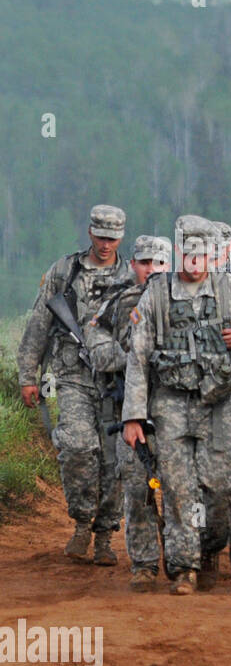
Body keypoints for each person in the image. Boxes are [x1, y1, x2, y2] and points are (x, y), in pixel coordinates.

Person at [120, 215, 231, 595]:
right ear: (179, 253)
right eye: (188, 254)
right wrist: (134, 416)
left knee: (221, 487)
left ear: (213, 255)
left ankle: (211, 548)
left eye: (202, 255)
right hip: (171, 402)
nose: (194, 262)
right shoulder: (156, 295)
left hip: (219, 404)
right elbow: (138, 357)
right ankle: (183, 566)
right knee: (178, 487)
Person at [19, 205, 132, 563]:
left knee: (115, 460)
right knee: (78, 447)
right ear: (89, 233)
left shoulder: (132, 277)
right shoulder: (64, 272)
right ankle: (82, 522)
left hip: (116, 380)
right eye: (100, 236)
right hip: (73, 375)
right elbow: (39, 324)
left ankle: (105, 535)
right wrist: (28, 375)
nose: (106, 244)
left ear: (121, 237)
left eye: (112, 238)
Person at [84, 235, 171, 591]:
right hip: (129, 412)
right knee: (137, 491)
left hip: (177, 412)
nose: (152, 269)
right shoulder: (118, 303)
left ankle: (184, 561)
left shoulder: (187, 303)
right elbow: (94, 343)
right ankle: (145, 565)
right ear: (133, 264)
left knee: (182, 491)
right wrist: (131, 359)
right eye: (145, 262)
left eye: (160, 263)